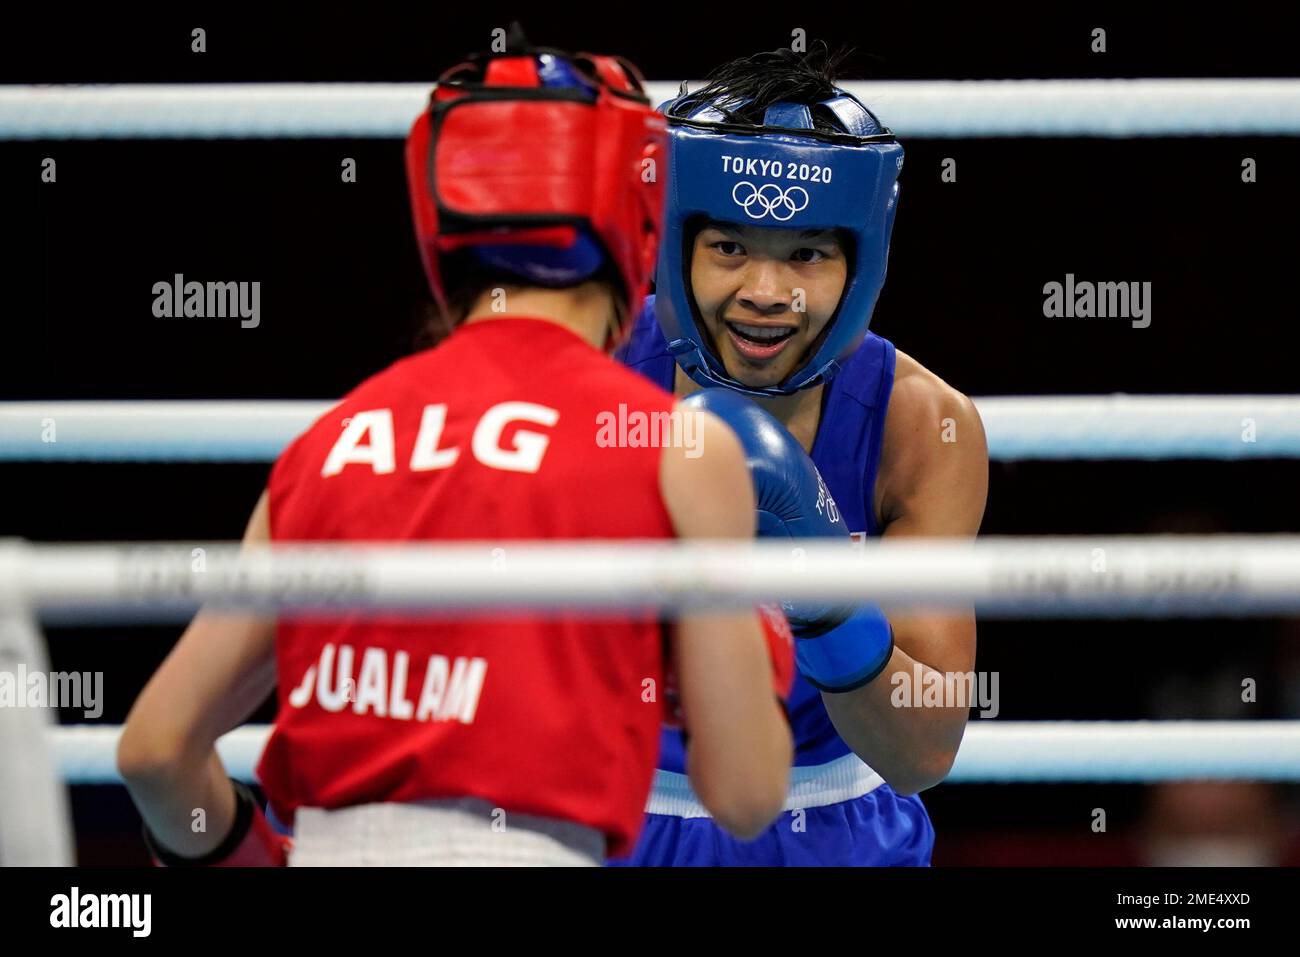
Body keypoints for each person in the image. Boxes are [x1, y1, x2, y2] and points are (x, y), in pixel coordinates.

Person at [116, 36, 793, 867]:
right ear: (641, 218)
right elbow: (748, 794)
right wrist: (752, 660)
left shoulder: (325, 446)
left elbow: (153, 750)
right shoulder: (676, 447)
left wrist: (254, 855)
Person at [613, 45, 989, 866]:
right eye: (729, 248)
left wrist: (819, 592)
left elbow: (923, 751)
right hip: (605, 814)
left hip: (834, 824)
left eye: (806, 254)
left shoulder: (920, 428)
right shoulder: (589, 380)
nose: (765, 292)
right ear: (676, 247)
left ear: (861, 262)